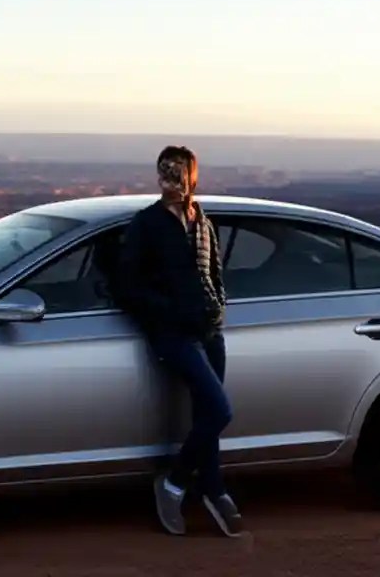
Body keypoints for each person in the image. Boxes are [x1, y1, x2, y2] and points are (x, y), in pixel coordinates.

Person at [114, 145, 243, 537]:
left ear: (192, 177)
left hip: (209, 332)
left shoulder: (202, 221)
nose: (170, 181)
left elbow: (214, 273)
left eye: (177, 173)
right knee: (220, 411)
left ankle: (214, 488)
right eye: (164, 173)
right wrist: (168, 311)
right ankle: (173, 484)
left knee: (207, 414)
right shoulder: (146, 224)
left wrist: (219, 305)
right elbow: (126, 286)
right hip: (172, 335)